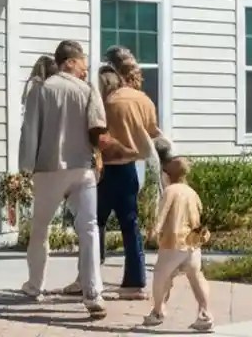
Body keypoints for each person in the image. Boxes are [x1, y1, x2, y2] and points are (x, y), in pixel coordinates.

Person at [62, 46, 163, 300]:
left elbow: (96, 134)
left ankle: (88, 277)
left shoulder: (105, 102)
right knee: (131, 225)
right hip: (131, 170)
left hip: (106, 171)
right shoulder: (144, 100)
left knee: (94, 224)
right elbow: (152, 134)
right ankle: (136, 282)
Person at [18, 41, 108, 318]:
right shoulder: (88, 91)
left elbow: (30, 130)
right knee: (89, 229)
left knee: (41, 228)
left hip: (48, 169)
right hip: (82, 168)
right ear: (68, 61)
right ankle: (93, 294)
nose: (85, 68)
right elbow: (97, 128)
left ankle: (35, 286)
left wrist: (25, 166)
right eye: (82, 62)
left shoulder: (40, 89)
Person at [145, 156, 214, 333]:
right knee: (196, 276)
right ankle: (205, 314)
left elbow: (163, 213)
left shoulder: (169, 191)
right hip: (193, 242)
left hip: (173, 242)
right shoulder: (192, 192)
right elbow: (198, 217)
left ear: (167, 175)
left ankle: (158, 311)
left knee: (160, 276)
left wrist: (154, 231)